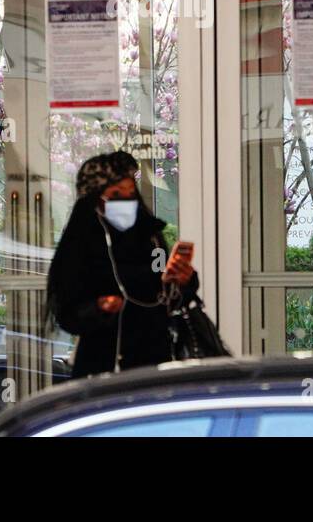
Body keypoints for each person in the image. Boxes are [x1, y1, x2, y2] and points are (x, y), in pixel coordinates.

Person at [46, 151, 199, 378]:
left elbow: (167, 293)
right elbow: (67, 311)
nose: (126, 201)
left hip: (155, 360)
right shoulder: (81, 244)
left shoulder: (150, 237)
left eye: (130, 194)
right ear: (96, 198)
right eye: (116, 194)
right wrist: (99, 307)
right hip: (102, 365)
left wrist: (183, 279)